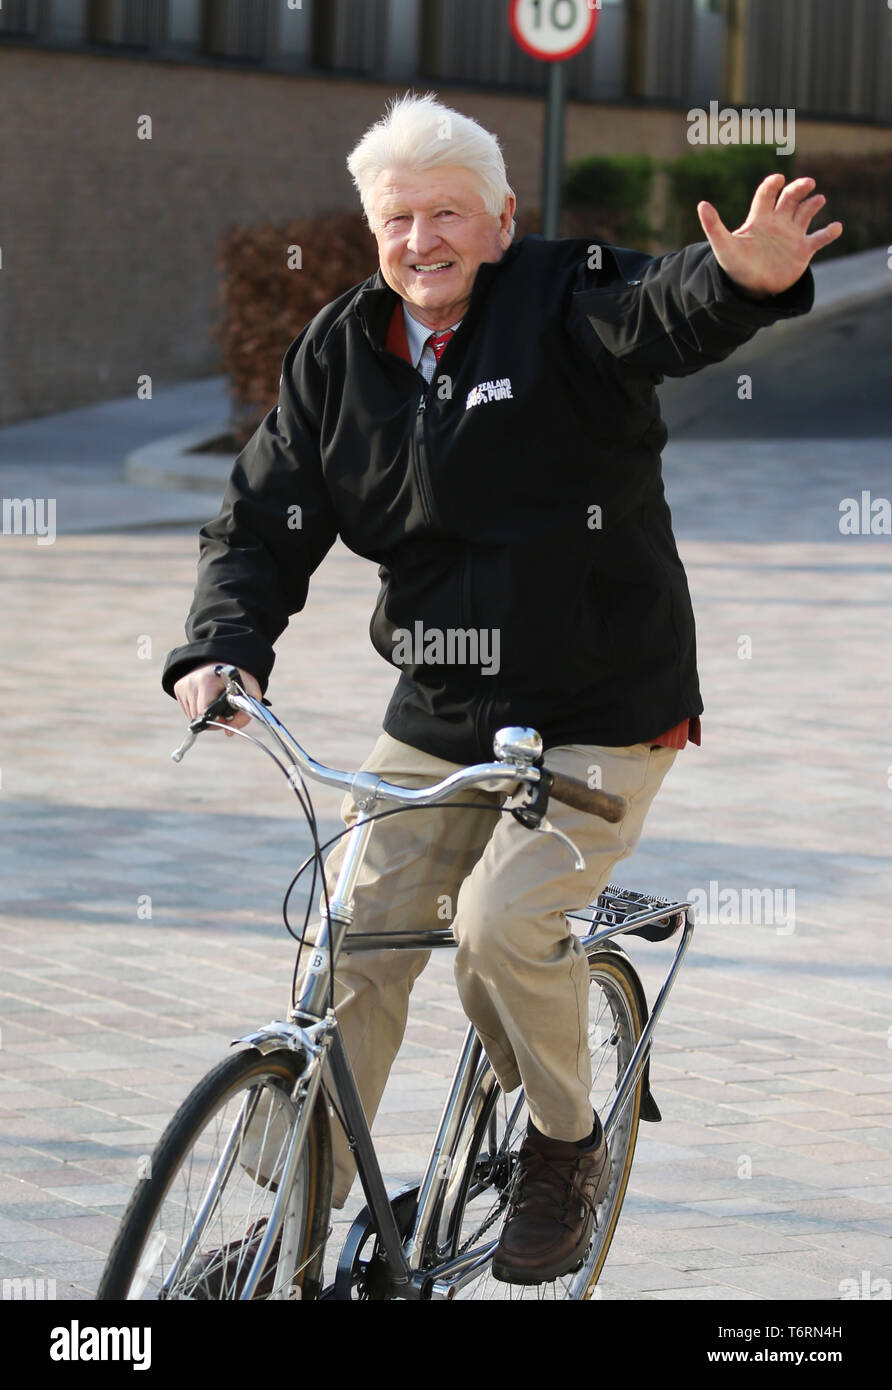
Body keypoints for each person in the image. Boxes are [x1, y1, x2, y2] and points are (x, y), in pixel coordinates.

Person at [163, 93, 841, 1284]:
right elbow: (261, 522)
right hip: (437, 702)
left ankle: (564, 1144)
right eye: (398, 218)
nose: (421, 240)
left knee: (497, 926)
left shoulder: (561, 295)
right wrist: (220, 648)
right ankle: (290, 1235)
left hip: (601, 701)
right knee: (350, 950)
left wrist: (742, 283)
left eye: (449, 216)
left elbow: (658, 312)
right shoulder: (342, 350)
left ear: (501, 220)